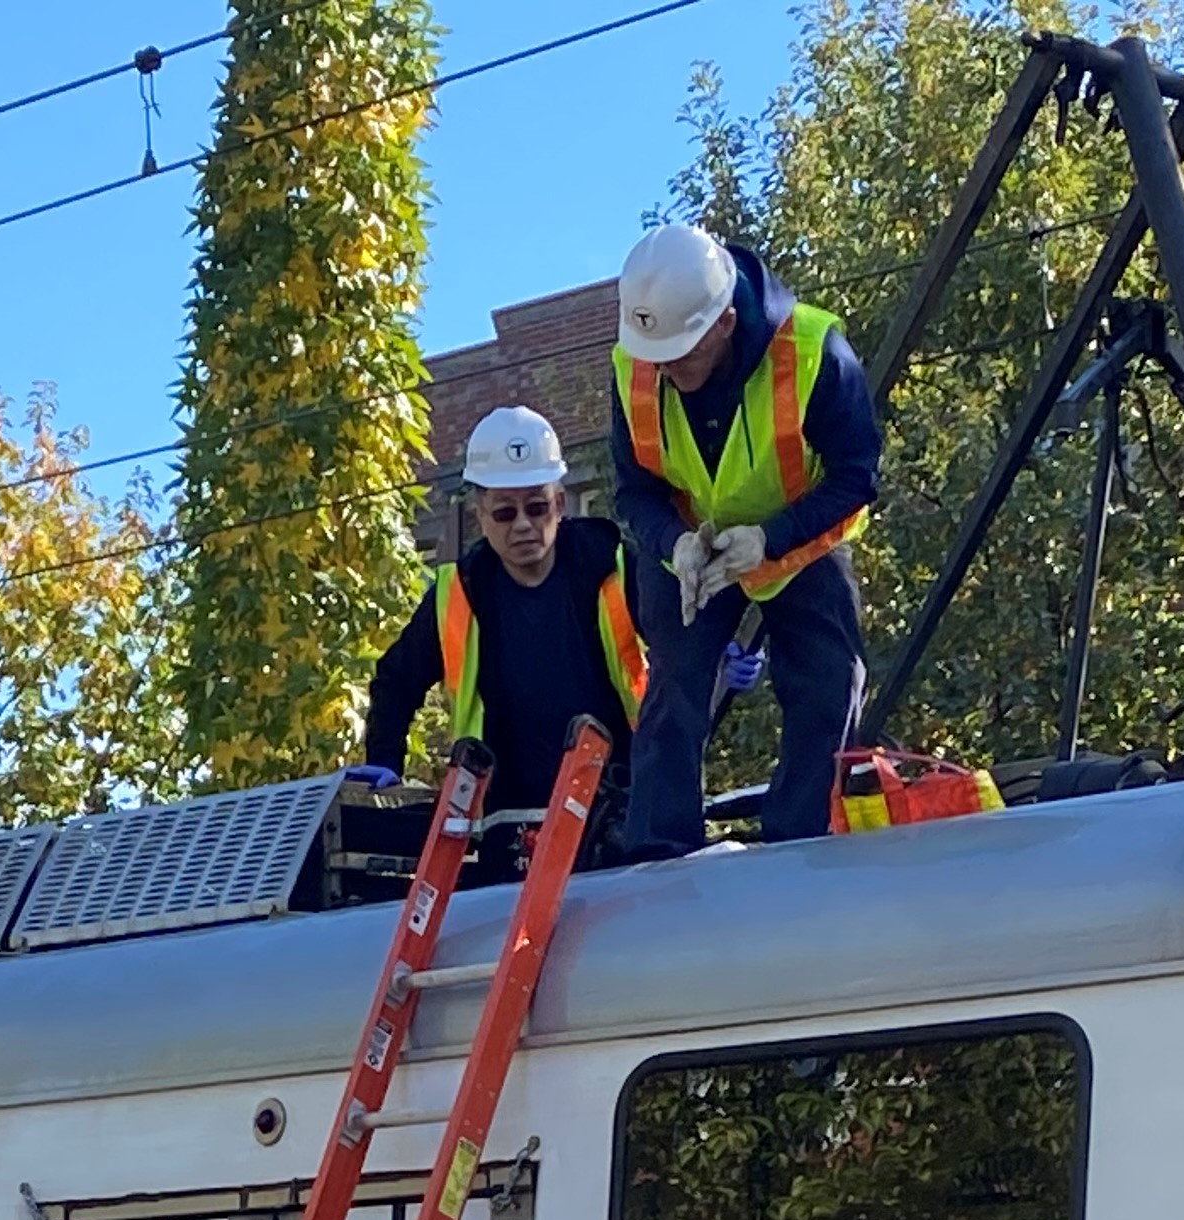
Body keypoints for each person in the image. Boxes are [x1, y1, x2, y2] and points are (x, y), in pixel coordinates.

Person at [604, 220, 883, 857]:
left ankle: (802, 839)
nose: (668, 370)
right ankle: (657, 850)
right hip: (690, 544)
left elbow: (857, 475)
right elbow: (633, 489)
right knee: (674, 682)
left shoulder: (815, 351)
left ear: (725, 322)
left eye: (683, 352)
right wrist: (674, 544)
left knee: (828, 677)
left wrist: (772, 538)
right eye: (657, 356)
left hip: (797, 536)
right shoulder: (636, 367)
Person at [362, 404, 642, 831]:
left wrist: (719, 661)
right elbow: (394, 682)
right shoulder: (462, 591)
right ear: (481, 518)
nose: (524, 525)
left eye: (537, 507)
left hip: (620, 807)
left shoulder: (612, 564)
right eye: (505, 513)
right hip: (507, 822)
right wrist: (384, 763)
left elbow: (682, 637)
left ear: (560, 504)